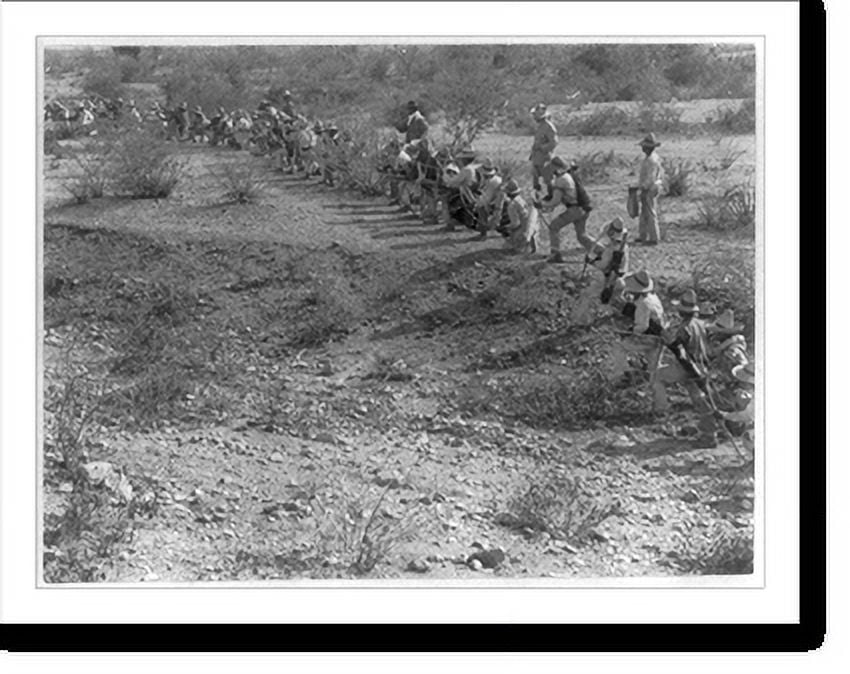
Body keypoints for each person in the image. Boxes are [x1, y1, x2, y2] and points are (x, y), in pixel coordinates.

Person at [653, 289, 719, 448]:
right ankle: (709, 434)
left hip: (688, 367)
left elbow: (681, 353)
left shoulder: (685, 328)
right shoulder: (701, 324)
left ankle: (661, 412)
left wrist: (670, 342)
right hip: (701, 365)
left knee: (657, 376)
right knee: (701, 400)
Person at [609, 270, 667, 385]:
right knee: (654, 369)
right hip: (660, 338)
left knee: (618, 346)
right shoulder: (653, 297)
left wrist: (628, 333)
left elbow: (642, 326)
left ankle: (620, 375)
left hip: (649, 338)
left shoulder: (643, 304)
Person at [572, 217, 629, 325]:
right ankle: (619, 319)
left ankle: (580, 321)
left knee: (587, 295)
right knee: (616, 301)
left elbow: (602, 265)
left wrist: (591, 262)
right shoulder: (624, 247)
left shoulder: (610, 250)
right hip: (620, 280)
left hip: (608, 281)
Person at [540, 156, 593, 263]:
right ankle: (601, 251)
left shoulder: (561, 180)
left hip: (575, 210)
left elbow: (555, 201)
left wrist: (541, 204)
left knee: (554, 227)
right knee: (582, 236)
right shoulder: (569, 176)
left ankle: (555, 255)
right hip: (583, 208)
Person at [634, 132, 664, 245]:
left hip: (650, 188)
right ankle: (643, 235)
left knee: (650, 212)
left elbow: (650, 178)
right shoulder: (653, 158)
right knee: (645, 212)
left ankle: (653, 237)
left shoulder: (651, 160)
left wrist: (643, 188)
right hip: (652, 186)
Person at [441, 148, 479, 231]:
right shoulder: (473, 167)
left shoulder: (466, 169)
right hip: (470, 191)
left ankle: (450, 224)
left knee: (446, 201)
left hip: (465, 193)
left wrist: (446, 178)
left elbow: (455, 181)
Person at [528, 103, 558, 197]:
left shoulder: (549, 127)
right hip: (536, 157)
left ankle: (551, 197)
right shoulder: (539, 126)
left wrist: (542, 148)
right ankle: (537, 198)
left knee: (548, 180)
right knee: (535, 179)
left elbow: (553, 143)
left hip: (545, 158)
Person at [502, 179, 539, 254]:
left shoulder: (511, 206)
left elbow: (515, 223)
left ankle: (519, 246)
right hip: (532, 226)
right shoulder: (520, 199)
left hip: (523, 229)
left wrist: (506, 228)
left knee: (508, 235)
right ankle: (530, 246)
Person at [474, 158, 504, 240]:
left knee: (481, 212)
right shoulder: (497, 179)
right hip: (497, 202)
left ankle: (483, 235)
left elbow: (486, 198)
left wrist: (478, 202)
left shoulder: (491, 182)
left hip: (493, 203)